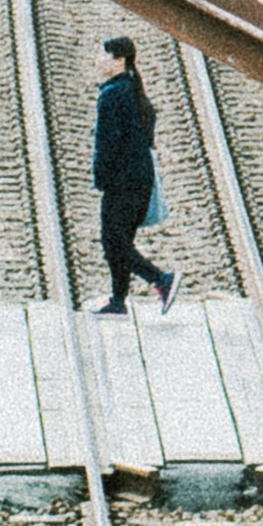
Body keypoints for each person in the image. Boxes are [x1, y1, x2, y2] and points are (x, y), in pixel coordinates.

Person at [91, 37, 177, 319]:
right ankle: (118, 301)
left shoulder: (112, 94)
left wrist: (102, 178)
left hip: (122, 180)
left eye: (104, 54)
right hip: (139, 177)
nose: (98, 59)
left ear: (119, 60)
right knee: (119, 240)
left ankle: (161, 279)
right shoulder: (131, 88)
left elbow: (107, 143)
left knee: (113, 240)